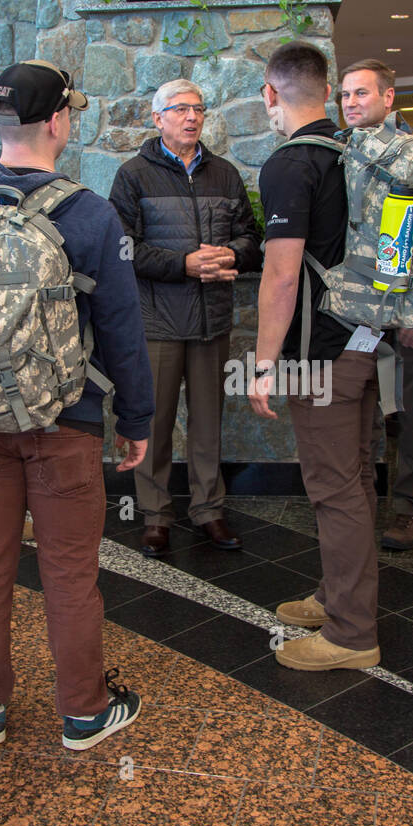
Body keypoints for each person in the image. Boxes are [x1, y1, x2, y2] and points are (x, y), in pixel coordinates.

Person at [0, 60, 154, 749]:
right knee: (69, 569)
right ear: (57, 122)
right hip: (65, 419)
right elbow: (121, 331)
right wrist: (134, 420)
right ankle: (83, 711)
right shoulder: (90, 213)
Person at [249, 41, 381, 672]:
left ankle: (352, 634)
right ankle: (336, 594)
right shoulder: (359, 154)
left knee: (333, 489)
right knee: (353, 478)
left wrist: (264, 362)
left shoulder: (289, 164)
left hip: (317, 352)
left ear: (271, 94)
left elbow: (280, 273)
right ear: (328, 93)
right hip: (364, 338)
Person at [108, 79, 262, 558]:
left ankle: (209, 510)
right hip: (156, 322)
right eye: (179, 109)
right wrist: (184, 265)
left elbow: (252, 239)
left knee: (208, 422)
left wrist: (230, 254)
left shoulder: (225, 174)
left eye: (198, 109)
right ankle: (155, 516)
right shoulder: (133, 175)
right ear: (158, 119)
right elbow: (123, 248)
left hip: (212, 320)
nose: (191, 117)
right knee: (153, 423)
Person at [339, 59, 413, 552]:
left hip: (408, 308)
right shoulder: (343, 150)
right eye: (345, 94)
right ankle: (361, 499)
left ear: (389, 98)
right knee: (360, 407)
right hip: (358, 309)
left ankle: (410, 509)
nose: (351, 103)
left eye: (362, 94)